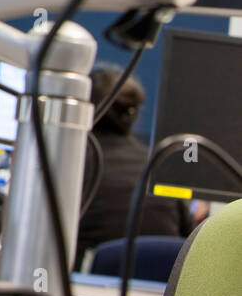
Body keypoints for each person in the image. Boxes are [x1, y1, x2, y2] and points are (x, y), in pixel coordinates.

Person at [74, 62, 196, 265]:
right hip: (162, 290)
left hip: (88, 287)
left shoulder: (73, 163)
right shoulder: (159, 163)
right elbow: (188, 238)